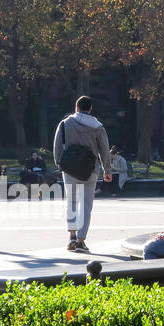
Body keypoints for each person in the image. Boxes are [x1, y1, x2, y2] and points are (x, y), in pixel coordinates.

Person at [52, 96, 113, 253]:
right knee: (86, 205)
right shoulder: (98, 126)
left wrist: (59, 163)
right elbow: (104, 149)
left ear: (77, 107)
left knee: (71, 202)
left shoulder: (65, 123)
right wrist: (107, 169)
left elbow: (57, 146)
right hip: (90, 169)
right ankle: (81, 240)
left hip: (70, 168)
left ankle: (71, 237)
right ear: (90, 109)